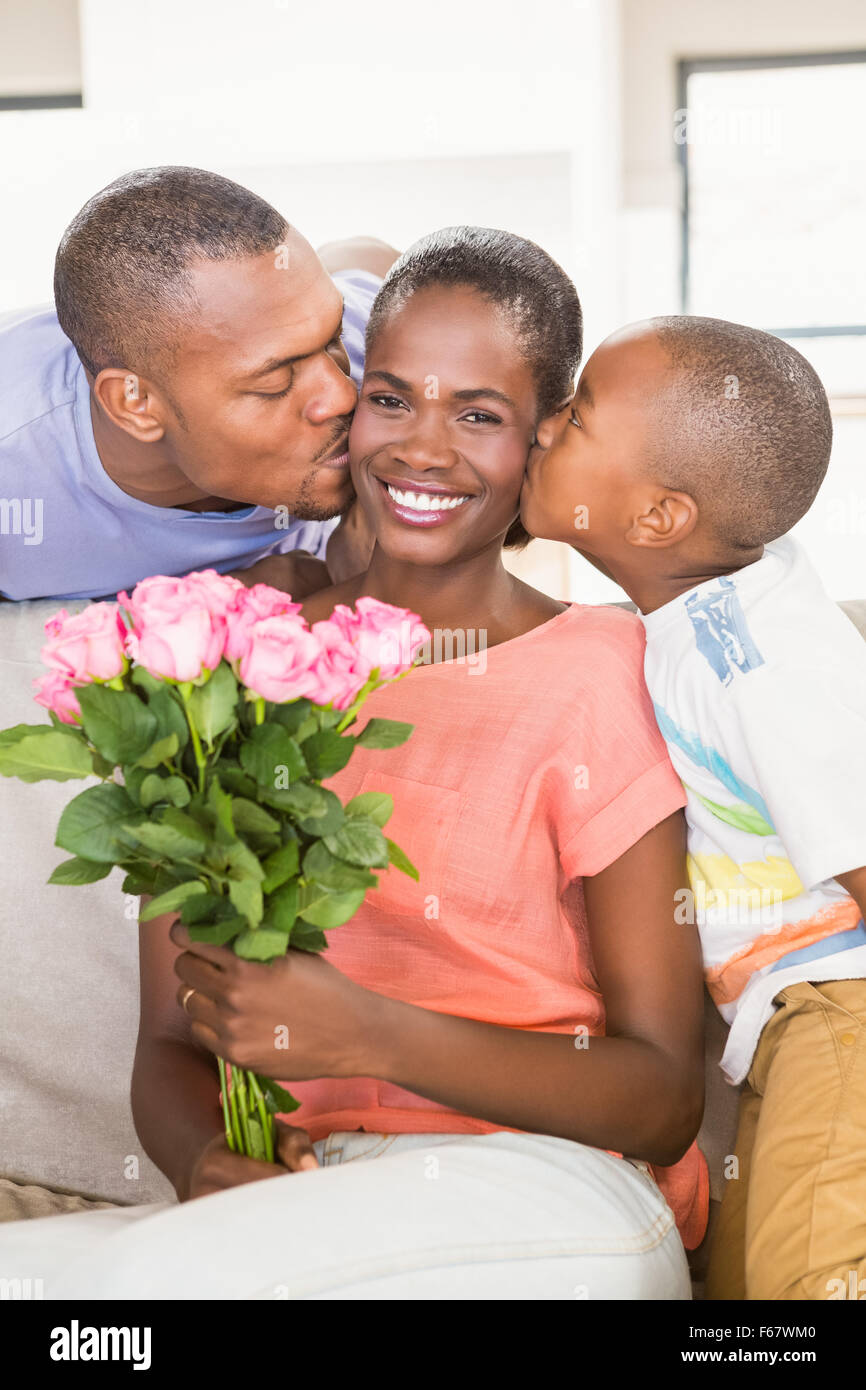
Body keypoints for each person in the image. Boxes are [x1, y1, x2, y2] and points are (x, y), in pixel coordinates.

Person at [0, 230, 706, 1300]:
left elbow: (659, 1096)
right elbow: (166, 1044)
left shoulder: (601, 668)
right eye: (390, 399)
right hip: (300, 1207)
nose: (423, 449)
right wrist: (201, 1161)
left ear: (542, 438)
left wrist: (372, 1030)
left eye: (478, 414)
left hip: (551, 1192)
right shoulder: (230, 666)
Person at [520, 314, 866, 1301]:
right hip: (789, 1020)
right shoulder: (717, 603)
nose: (543, 425)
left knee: (808, 1285)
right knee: (741, 1288)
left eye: (575, 416)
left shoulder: (753, 665)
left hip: (840, 1012)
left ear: (661, 517)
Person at [0, 166, 393, 602]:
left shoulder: (372, 339)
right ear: (134, 405)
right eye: (276, 381)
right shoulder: (15, 477)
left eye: (331, 337)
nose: (342, 395)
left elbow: (368, 256)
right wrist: (236, 600)